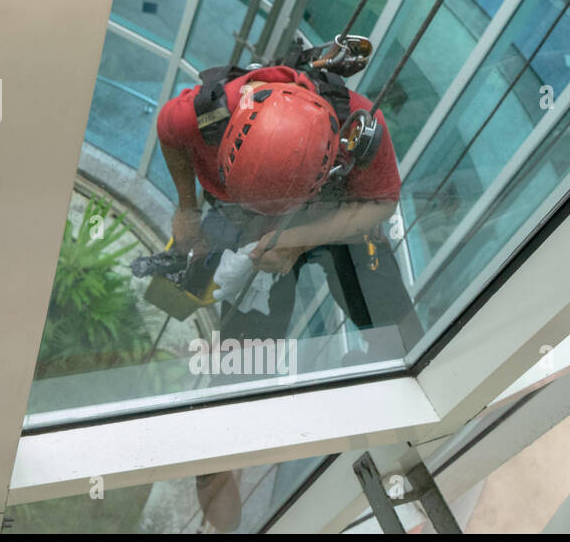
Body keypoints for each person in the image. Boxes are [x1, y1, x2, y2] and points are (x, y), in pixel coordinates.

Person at [156, 61, 420, 350]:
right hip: (244, 222)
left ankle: (400, 359)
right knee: (245, 357)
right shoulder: (207, 113)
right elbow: (168, 134)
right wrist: (187, 209)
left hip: (332, 213)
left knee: (398, 334)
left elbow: (382, 203)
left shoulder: (357, 129)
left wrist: (296, 242)